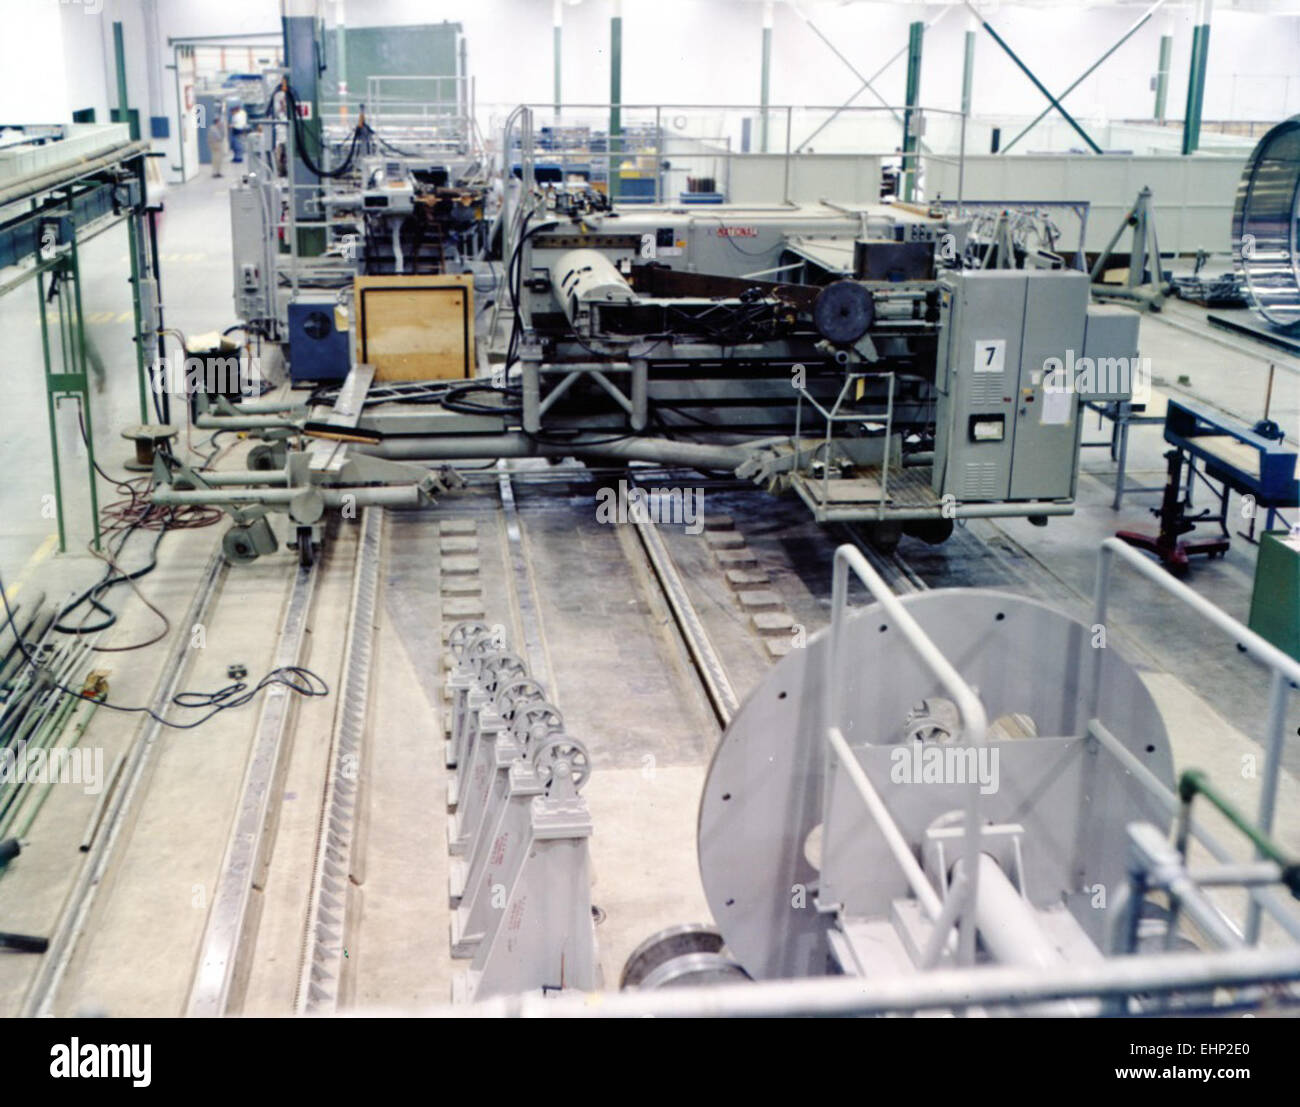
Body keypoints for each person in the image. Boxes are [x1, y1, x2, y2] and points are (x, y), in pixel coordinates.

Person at [208, 106, 227, 178]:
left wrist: (221, 128)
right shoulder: (214, 129)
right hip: (216, 145)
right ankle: (216, 172)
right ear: (217, 122)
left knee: (218, 159)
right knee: (217, 159)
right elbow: (220, 137)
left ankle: (217, 172)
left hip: (216, 145)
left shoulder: (214, 128)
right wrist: (222, 128)